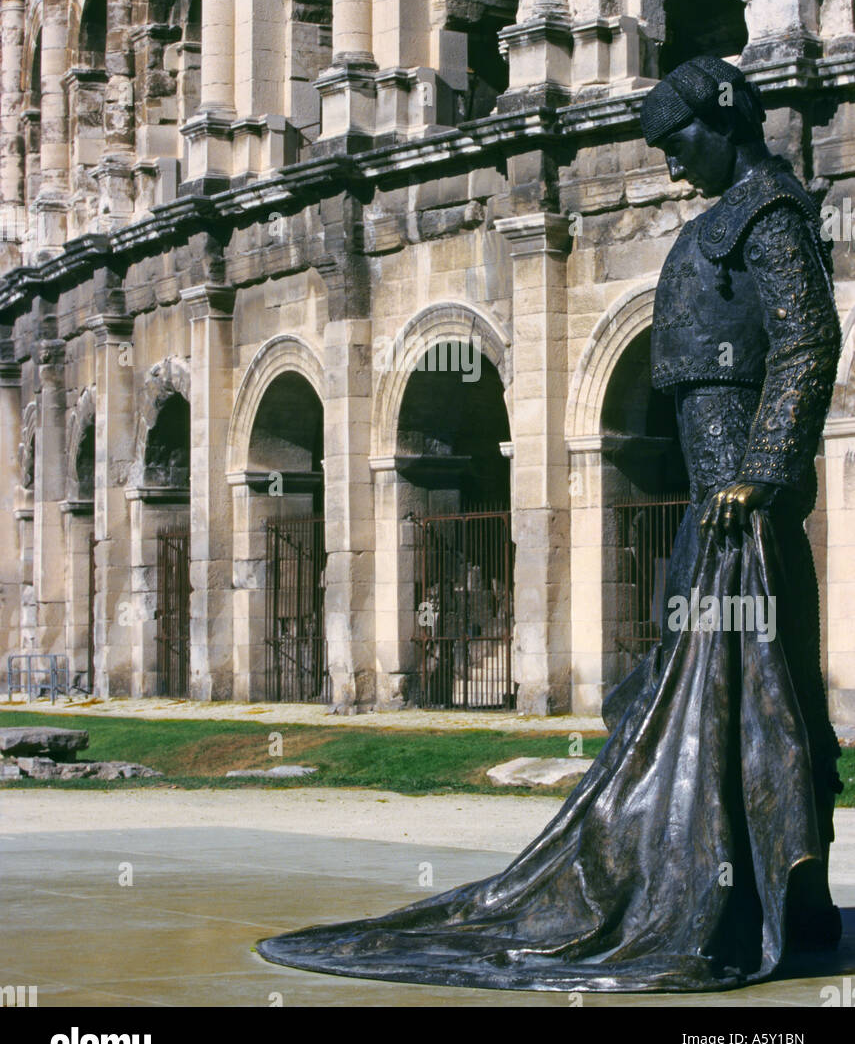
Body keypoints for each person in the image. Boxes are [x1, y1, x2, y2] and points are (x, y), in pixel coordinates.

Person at [256, 56, 843, 992]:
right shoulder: (731, 216)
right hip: (715, 494)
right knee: (714, 683)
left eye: (678, 141)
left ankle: (745, 890)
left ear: (722, 122)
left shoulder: (765, 215)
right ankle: (770, 888)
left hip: (740, 503)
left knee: (747, 689)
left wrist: (763, 476)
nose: (669, 162)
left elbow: (808, 338)